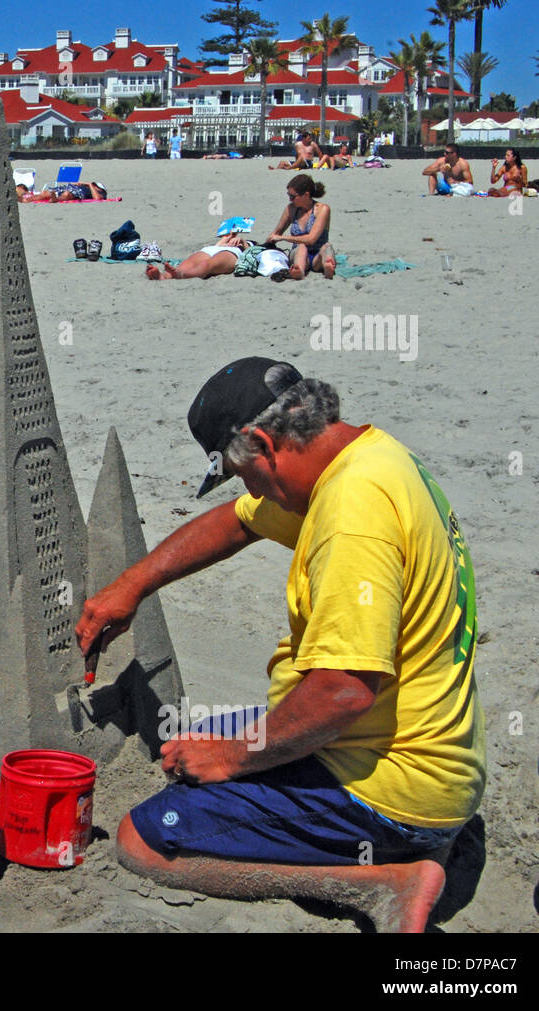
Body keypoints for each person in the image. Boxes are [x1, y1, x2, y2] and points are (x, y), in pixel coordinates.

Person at [75, 357, 485, 934]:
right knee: (184, 743)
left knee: (143, 839)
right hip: (433, 750)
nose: (252, 492)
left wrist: (232, 758)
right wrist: (133, 584)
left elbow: (342, 694)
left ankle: (383, 881)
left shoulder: (352, 517)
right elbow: (239, 522)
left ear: (265, 443)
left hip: (391, 786)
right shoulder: (367, 458)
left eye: (247, 475)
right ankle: (397, 845)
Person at [265, 173, 335, 280]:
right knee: (301, 247)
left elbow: (311, 239)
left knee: (326, 247)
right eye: (288, 195)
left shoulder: (322, 209)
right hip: (299, 255)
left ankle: (327, 266)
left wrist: (283, 238)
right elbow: (276, 233)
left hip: (318, 255)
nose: (290, 200)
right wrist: (265, 246)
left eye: (293, 197)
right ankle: (299, 270)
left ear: (306, 195)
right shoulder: (291, 209)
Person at [144, 216, 254, 280]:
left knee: (207, 264)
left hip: (233, 253)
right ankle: (164, 276)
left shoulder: (250, 243)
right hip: (213, 249)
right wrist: (224, 240)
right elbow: (217, 246)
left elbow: (255, 252)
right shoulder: (222, 241)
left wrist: (243, 242)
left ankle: (180, 274)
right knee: (190, 262)